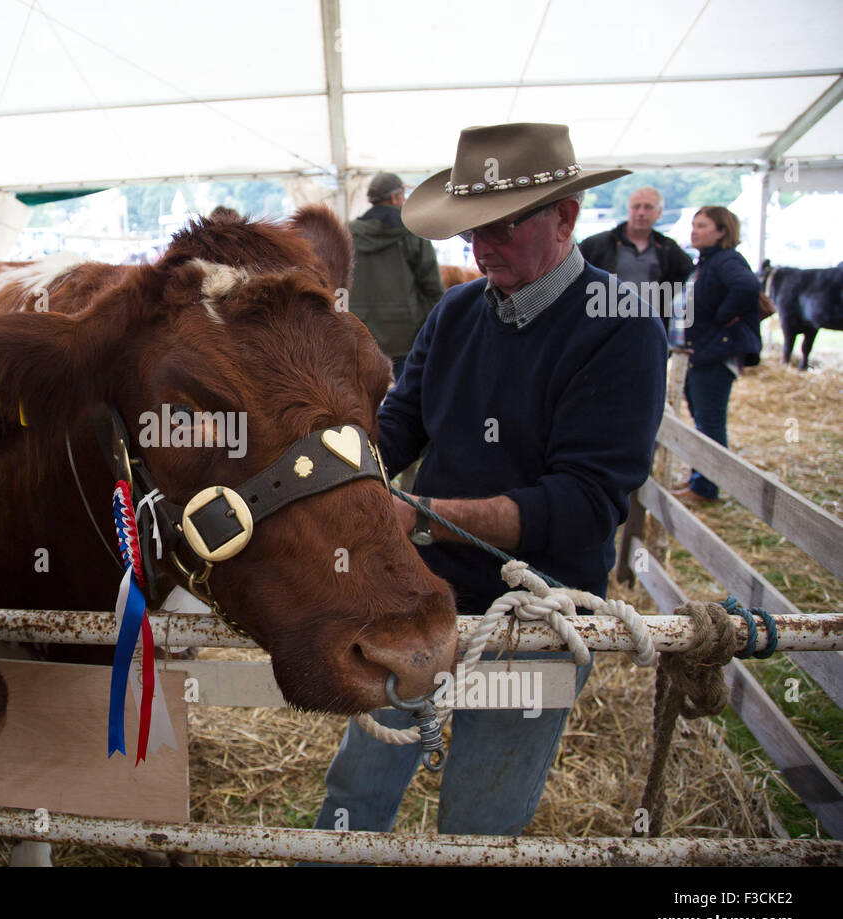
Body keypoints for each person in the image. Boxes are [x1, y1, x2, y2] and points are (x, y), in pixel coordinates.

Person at [309, 123, 667, 839]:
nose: (481, 246)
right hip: (422, 594)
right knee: (363, 770)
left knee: (482, 807)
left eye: (503, 226)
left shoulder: (621, 326)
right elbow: (398, 427)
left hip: (539, 609)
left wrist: (421, 516)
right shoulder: (459, 308)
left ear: (565, 216)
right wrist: (317, 471)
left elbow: (584, 503)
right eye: (472, 228)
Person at [673, 206, 761, 505]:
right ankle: (702, 478)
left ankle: (706, 487)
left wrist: (723, 316)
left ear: (722, 231)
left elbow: (748, 285)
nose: (694, 230)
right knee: (702, 419)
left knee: (709, 422)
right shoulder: (707, 263)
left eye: (703, 225)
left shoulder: (727, 260)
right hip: (701, 354)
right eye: (694, 225)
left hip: (714, 355)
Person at [348, 172, 444, 381]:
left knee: (365, 402)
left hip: (360, 333)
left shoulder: (348, 234)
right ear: (395, 197)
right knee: (405, 398)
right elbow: (432, 286)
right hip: (407, 333)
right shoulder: (413, 231)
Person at [579, 186, 694, 301]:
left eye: (648, 207)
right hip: (604, 314)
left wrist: (665, 297)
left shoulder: (667, 247)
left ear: (659, 213)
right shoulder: (598, 244)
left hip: (649, 315)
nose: (641, 213)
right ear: (629, 209)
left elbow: (686, 268)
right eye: (636, 207)